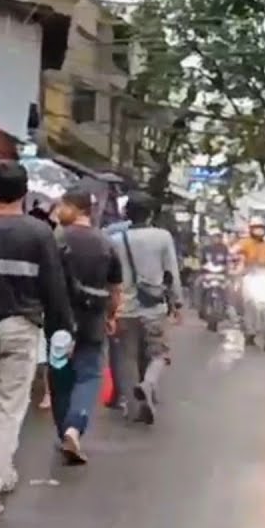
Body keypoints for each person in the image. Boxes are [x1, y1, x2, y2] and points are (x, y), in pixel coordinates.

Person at [0, 160, 74, 519]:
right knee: (9, 413)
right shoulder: (38, 234)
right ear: (24, 193)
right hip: (21, 329)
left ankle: (3, 472)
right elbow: (54, 288)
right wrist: (61, 331)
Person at [52, 186, 122, 464]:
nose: (58, 210)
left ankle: (64, 432)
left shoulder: (56, 238)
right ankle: (73, 428)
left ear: (76, 208)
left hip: (59, 319)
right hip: (92, 318)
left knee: (60, 376)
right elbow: (115, 286)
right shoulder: (106, 243)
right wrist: (112, 315)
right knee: (89, 375)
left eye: (62, 205)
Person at [112, 191, 183, 424]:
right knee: (159, 353)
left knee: (127, 358)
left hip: (124, 308)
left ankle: (132, 406)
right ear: (151, 214)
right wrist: (177, 302)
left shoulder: (115, 239)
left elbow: (111, 278)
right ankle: (149, 383)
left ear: (126, 213)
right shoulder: (162, 237)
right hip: (153, 308)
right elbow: (171, 272)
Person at [231, 216, 265, 344]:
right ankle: (247, 326)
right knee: (247, 300)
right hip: (249, 275)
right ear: (251, 230)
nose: (259, 231)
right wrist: (238, 261)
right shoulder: (244, 243)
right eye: (256, 229)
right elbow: (234, 253)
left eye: (261, 229)